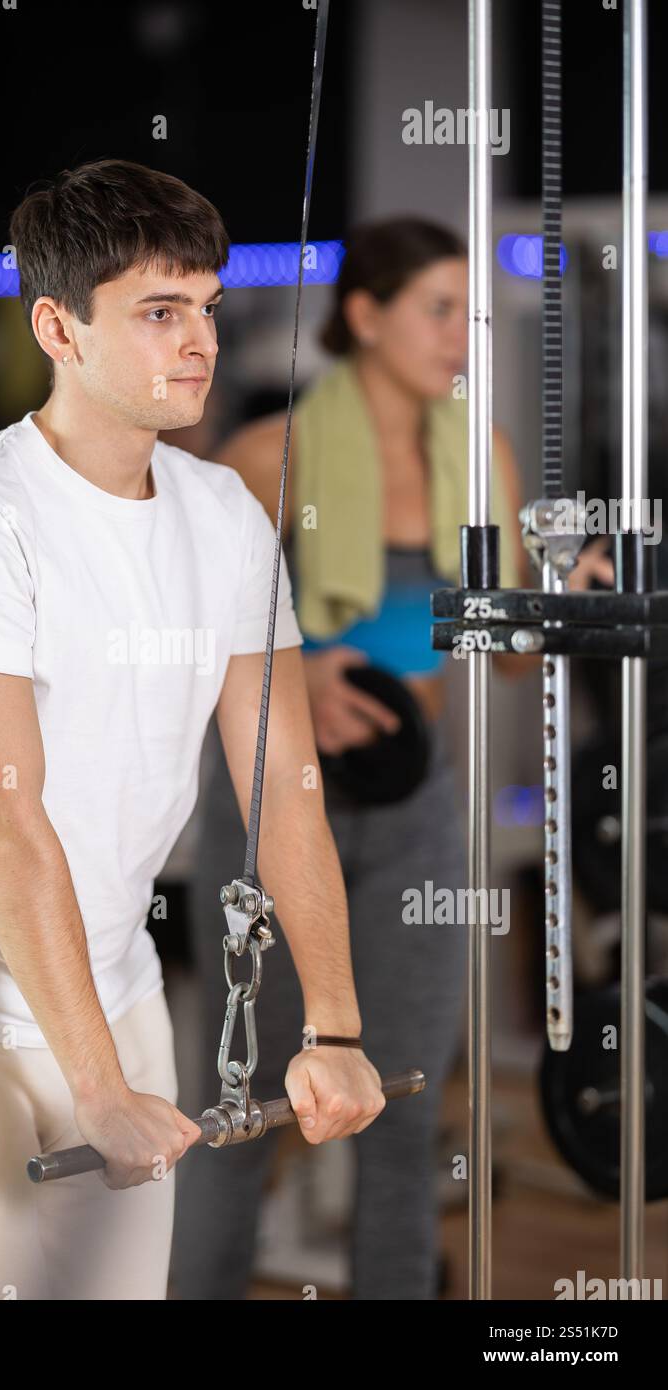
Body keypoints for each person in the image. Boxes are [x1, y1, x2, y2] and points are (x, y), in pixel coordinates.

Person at [0, 159, 388, 1301]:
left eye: (209, 309)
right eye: (159, 312)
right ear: (58, 327)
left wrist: (333, 1023)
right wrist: (96, 1087)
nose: (202, 343)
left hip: (119, 991)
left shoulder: (225, 515)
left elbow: (285, 781)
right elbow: (5, 823)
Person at [171, 216, 615, 1300]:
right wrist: (297, 671)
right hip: (269, 806)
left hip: (414, 801)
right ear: (364, 317)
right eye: (433, 310)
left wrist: (551, 608)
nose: (457, 336)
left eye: (464, 313)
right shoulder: (264, 457)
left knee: (403, 1108)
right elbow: (181, 645)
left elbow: (502, 658)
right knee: (241, 1109)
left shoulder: (482, 456)